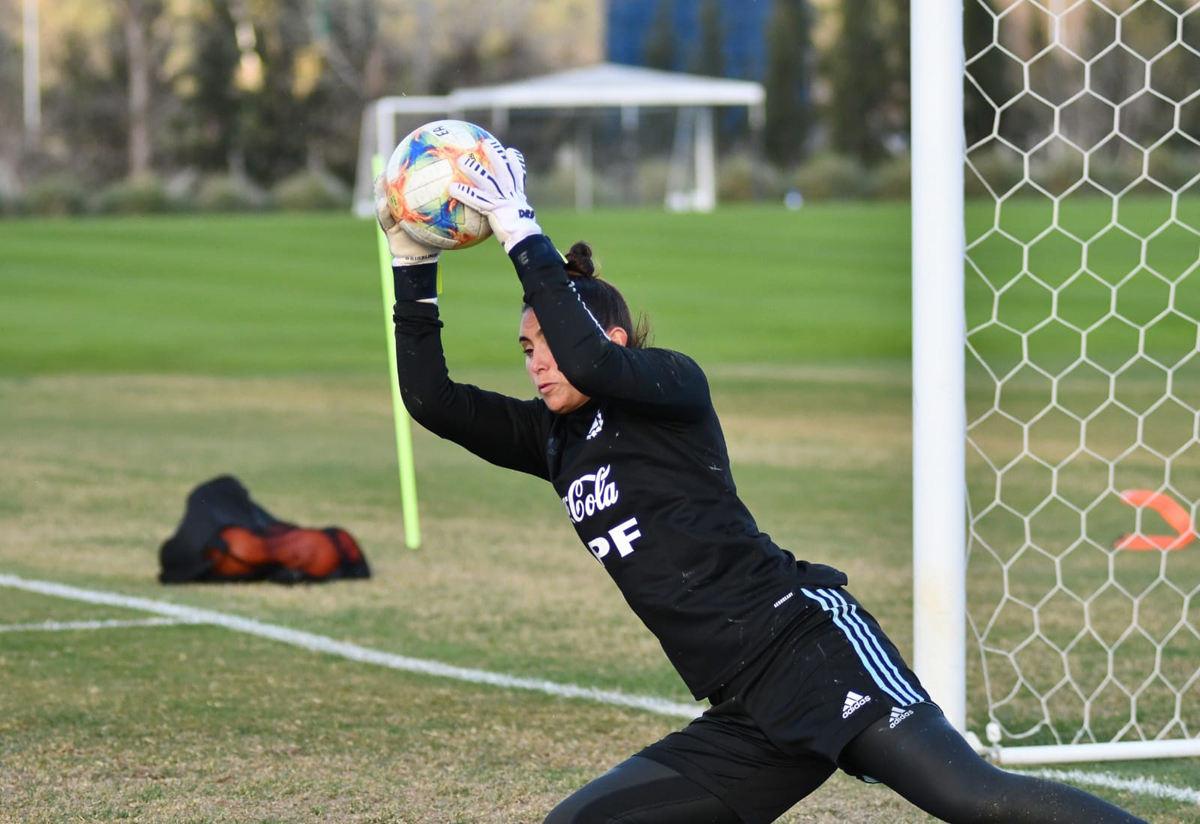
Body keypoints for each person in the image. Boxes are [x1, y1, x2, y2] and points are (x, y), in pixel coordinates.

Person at [374, 141, 1147, 824]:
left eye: (546, 342)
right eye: (524, 350)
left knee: (974, 799)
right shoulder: (554, 440)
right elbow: (430, 400)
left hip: (810, 648)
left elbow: (593, 365)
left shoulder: (668, 389)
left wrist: (518, 230)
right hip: (745, 710)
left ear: (606, 335)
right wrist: (413, 266)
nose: (537, 362)